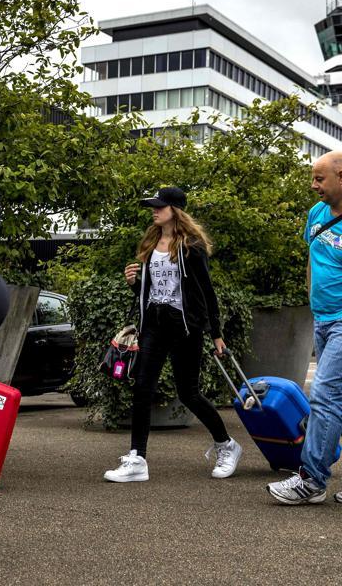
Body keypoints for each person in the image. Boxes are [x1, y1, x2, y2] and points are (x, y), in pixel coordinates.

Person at [104, 186, 242, 483]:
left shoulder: (191, 246)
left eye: (159, 206)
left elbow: (206, 291)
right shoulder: (152, 241)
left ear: (175, 210)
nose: (154, 210)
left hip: (184, 328)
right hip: (154, 324)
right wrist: (135, 282)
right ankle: (137, 458)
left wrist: (216, 333)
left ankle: (226, 444)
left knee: (188, 393)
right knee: (142, 388)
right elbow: (154, 290)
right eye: (153, 206)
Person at [267, 151, 342, 505]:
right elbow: (313, 259)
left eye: (319, 179)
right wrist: (313, 304)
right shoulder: (316, 214)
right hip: (323, 319)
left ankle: (311, 479)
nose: (313, 186)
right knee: (335, 399)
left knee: (323, 394)